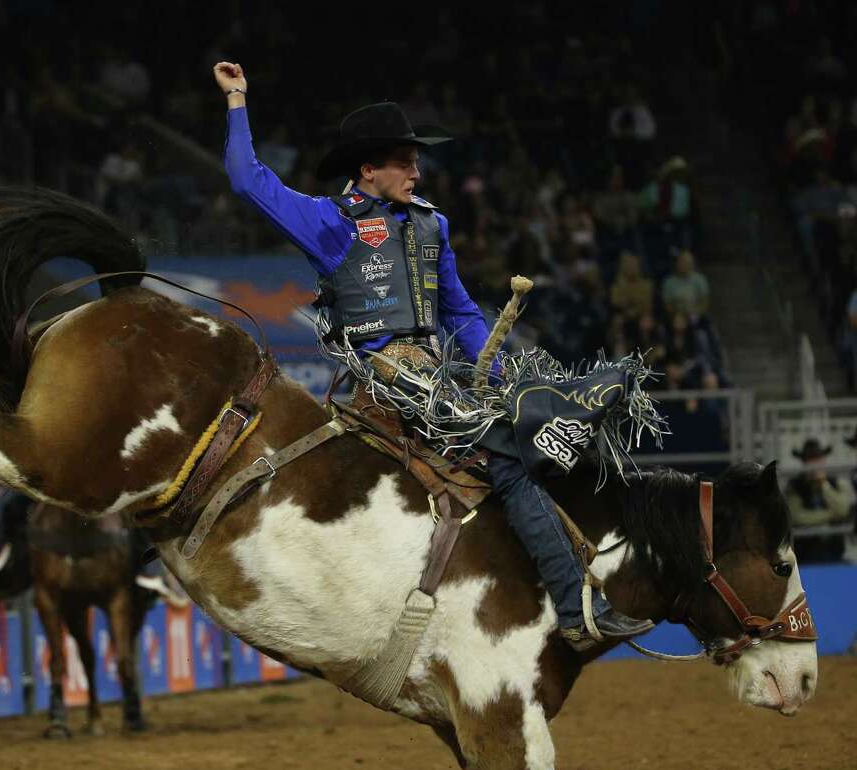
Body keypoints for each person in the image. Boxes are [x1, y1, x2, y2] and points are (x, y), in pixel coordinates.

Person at [213, 61, 653, 649]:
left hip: (438, 380)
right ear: (368, 170)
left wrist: (502, 377)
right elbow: (248, 181)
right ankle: (575, 611)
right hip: (384, 378)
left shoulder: (431, 226)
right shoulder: (328, 221)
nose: (417, 171)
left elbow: (462, 314)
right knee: (508, 458)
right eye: (405, 161)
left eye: (417, 161)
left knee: (540, 432)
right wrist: (238, 100)